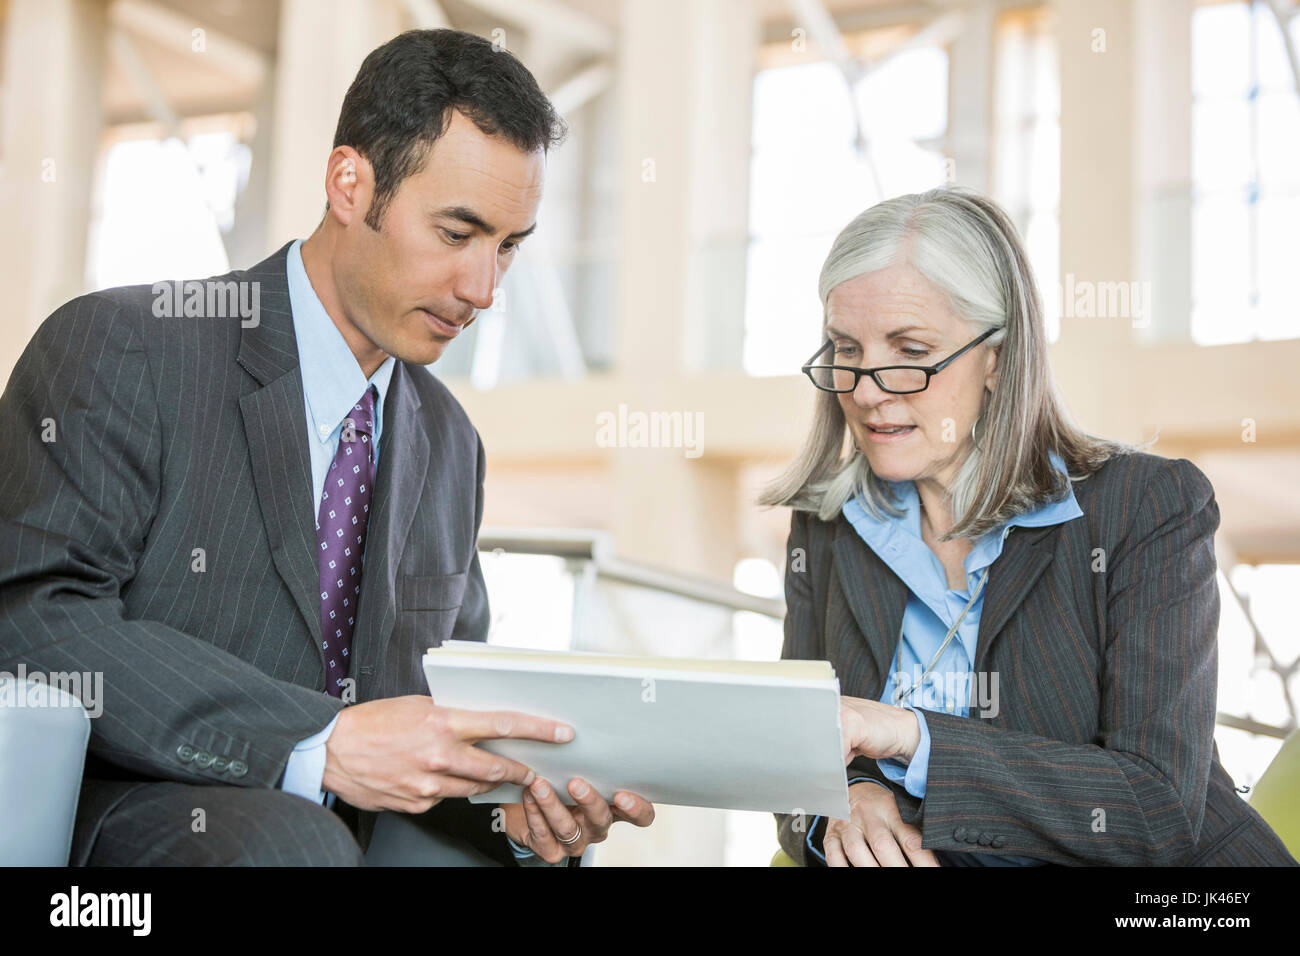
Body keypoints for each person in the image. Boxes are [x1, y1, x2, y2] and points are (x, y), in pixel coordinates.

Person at [0, 28, 653, 867]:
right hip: (138, 810)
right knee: (290, 845)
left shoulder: (451, 441)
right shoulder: (126, 348)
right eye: (458, 233)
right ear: (350, 183)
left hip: (351, 836)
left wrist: (517, 806)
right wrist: (317, 740)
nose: (483, 290)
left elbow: (444, 699)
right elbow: (32, 617)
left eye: (509, 247)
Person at [762, 185, 1297, 867]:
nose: (866, 390)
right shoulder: (827, 527)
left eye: (909, 350)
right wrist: (850, 792)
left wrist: (908, 737)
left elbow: (1150, 809)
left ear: (997, 356)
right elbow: (793, 757)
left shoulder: (1146, 510)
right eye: (846, 348)